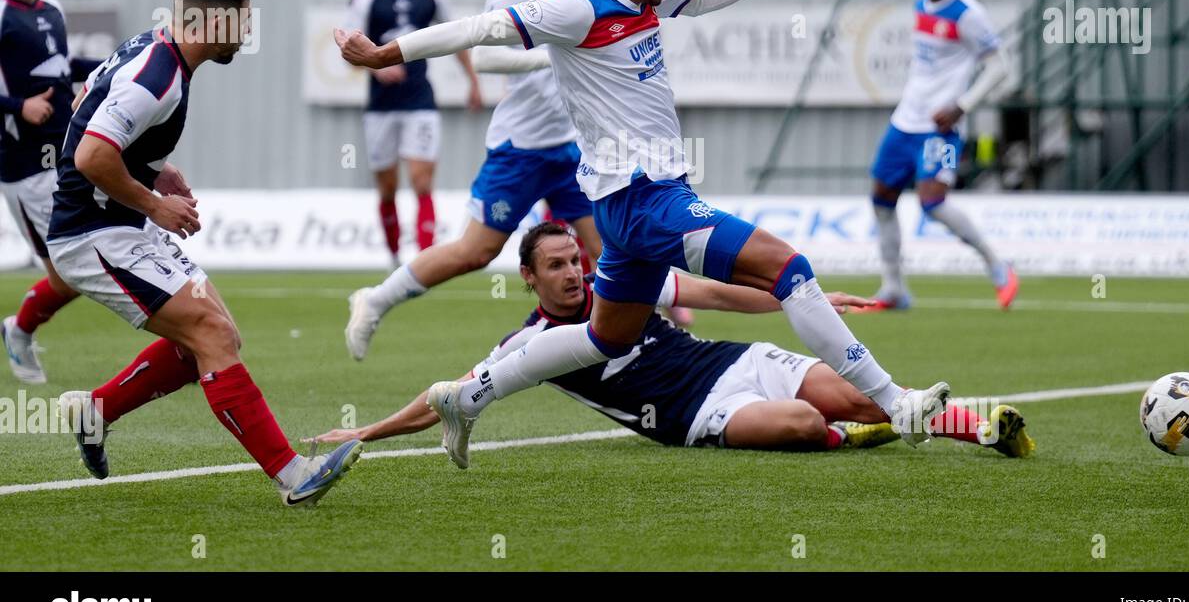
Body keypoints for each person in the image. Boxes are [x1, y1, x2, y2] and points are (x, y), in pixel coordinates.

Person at [336, 0, 951, 469]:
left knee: (606, 336)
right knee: (789, 269)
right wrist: (384, 54)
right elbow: (480, 30)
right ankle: (895, 400)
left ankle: (467, 399)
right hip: (645, 200)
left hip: (620, 210)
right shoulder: (578, 5)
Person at [50, 0, 361, 507]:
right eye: (242, 20)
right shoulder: (158, 77)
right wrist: (154, 202)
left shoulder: (154, 46)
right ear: (213, 22)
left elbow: (85, 104)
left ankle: (96, 411)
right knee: (212, 335)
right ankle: (295, 477)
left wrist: (152, 166)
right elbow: (90, 153)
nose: (245, 32)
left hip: (120, 222)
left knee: (217, 338)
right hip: (92, 234)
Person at [314, 222, 1034, 457]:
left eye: (578, 260)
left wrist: (800, 295)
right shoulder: (526, 345)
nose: (575, 272)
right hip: (694, 416)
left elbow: (717, 292)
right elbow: (447, 398)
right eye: (558, 266)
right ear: (529, 278)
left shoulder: (621, 288)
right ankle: (857, 434)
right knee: (804, 423)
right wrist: (364, 432)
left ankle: (981, 427)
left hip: (731, 359)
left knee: (848, 392)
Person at [345, 0, 604, 360]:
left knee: (604, 248)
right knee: (474, 252)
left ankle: (639, 342)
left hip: (566, 147)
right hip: (521, 149)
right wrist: (556, 57)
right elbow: (486, 58)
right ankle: (376, 299)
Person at [865, 0, 1018, 311]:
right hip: (905, 121)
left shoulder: (968, 13)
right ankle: (894, 288)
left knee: (932, 202)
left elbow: (1000, 67)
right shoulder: (921, 5)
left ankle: (998, 266)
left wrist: (961, 106)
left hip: (941, 126)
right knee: (881, 198)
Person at [345, 0, 482, 263]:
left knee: (422, 181)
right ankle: (394, 258)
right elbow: (348, 50)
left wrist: (472, 81)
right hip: (380, 107)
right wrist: (377, 68)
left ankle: (424, 261)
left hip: (420, 102)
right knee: (388, 186)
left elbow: (457, 36)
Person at [0, 0, 99, 383]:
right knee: (69, 274)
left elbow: (63, 68)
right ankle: (19, 330)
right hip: (24, 169)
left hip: (68, 153)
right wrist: (17, 105)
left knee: (96, 254)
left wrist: (115, 64)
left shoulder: (53, 9)